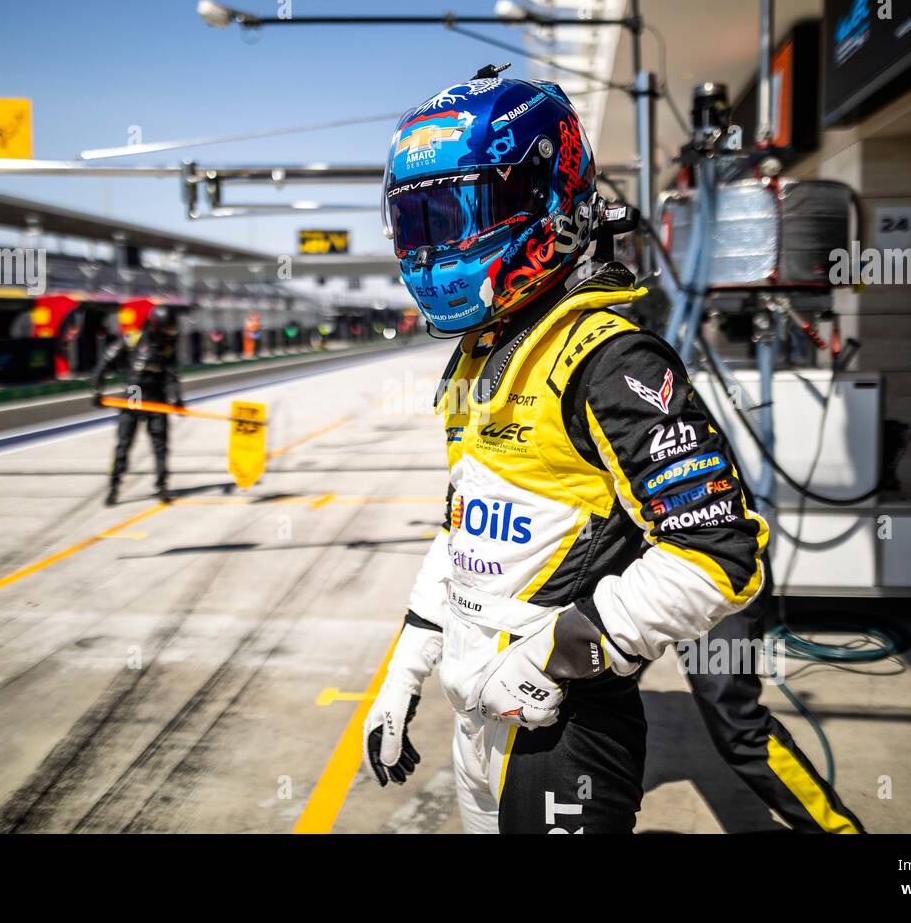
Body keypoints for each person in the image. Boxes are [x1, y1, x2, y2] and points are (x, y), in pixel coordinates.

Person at [362, 70, 861, 834]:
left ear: (547, 195)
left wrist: (555, 656)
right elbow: (462, 529)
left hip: (562, 723)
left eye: (458, 212)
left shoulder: (610, 359)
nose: (436, 247)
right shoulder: (482, 354)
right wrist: (404, 672)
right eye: (417, 221)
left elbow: (722, 554)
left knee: (739, 730)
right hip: (480, 715)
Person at [91, 306, 182, 505]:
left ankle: (162, 485)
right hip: (135, 393)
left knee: (160, 445)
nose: (170, 332)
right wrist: (96, 389)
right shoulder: (132, 339)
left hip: (157, 397)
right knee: (124, 444)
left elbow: (172, 376)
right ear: (157, 326)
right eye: (167, 328)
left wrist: (177, 398)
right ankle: (114, 487)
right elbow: (104, 362)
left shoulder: (168, 347)